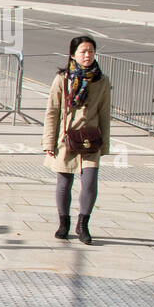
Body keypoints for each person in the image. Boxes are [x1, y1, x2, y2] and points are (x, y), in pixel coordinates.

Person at [42, 34, 111, 245]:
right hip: (65, 139)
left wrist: (105, 144)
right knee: (64, 182)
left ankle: (83, 225)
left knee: (90, 183)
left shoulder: (102, 81)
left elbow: (105, 114)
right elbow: (52, 111)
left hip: (91, 140)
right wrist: (48, 143)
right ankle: (64, 223)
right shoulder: (62, 79)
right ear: (73, 55)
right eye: (83, 51)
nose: (87, 55)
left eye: (90, 51)